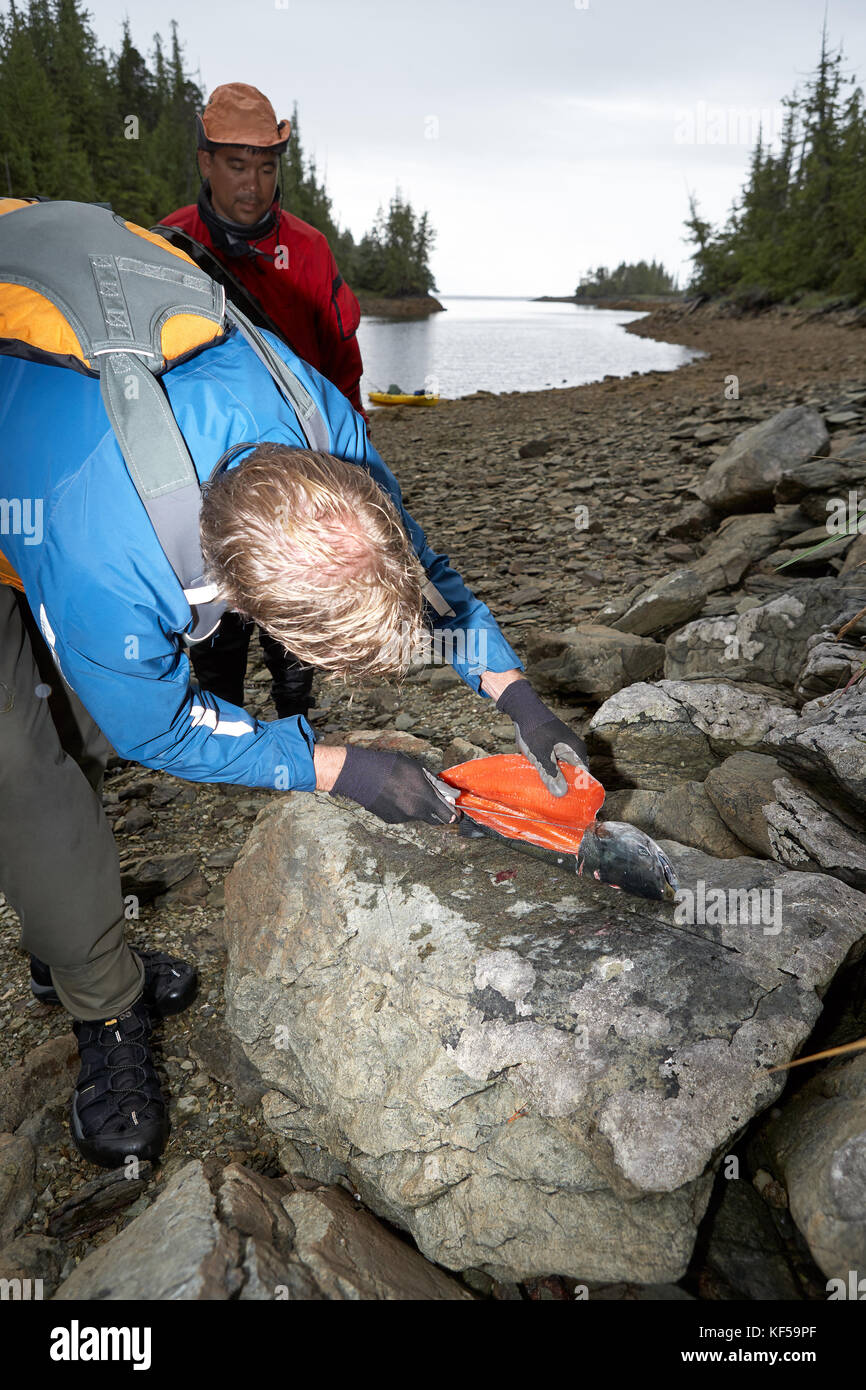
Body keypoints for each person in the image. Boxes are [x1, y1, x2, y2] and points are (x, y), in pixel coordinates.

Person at [0, 249, 587, 1172]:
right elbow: (161, 726)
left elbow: (428, 585)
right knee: (22, 759)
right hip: (40, 484)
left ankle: (57, 927)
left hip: (84, 375)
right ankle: (99, 1000)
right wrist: (336, 767)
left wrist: (521, 700)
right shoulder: (108, 558)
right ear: (236, 602)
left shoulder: (325, 426)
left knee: (83, 727)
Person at [158, 82, 368, 724]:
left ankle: (296, 714)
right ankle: (224, 724)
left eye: (266, 166)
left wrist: (354, 455)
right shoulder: (166, 243)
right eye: (236, 164)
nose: (252, 184)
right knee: (215, 600)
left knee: (294, 592)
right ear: (205, 162)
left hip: (299, 461)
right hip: (203, 467)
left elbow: (340, 360)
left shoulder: (307, 249)